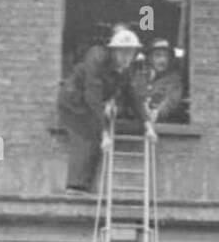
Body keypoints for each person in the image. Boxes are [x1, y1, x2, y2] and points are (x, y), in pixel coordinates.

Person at [57, 25, 149, 193]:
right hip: (74, 100)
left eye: (130, 52)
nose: (126, 57)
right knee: (85, 135)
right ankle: (75, 186)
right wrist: (104, 132)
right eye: (122, 52)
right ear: (113, 51)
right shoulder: (97, 58)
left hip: (92, 102)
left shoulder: (125, 69)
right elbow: (93, 97)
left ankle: (84, 186)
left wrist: (147, 124)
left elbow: (133, 95)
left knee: (95, 135)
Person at [144, 38, 184, 124]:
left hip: (164, 126)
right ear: (150, 59)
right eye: (158, 55)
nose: (162, 60)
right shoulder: (143, 77)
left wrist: (157, 112)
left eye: (165, 56)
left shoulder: (174, 80)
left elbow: (171, 101)